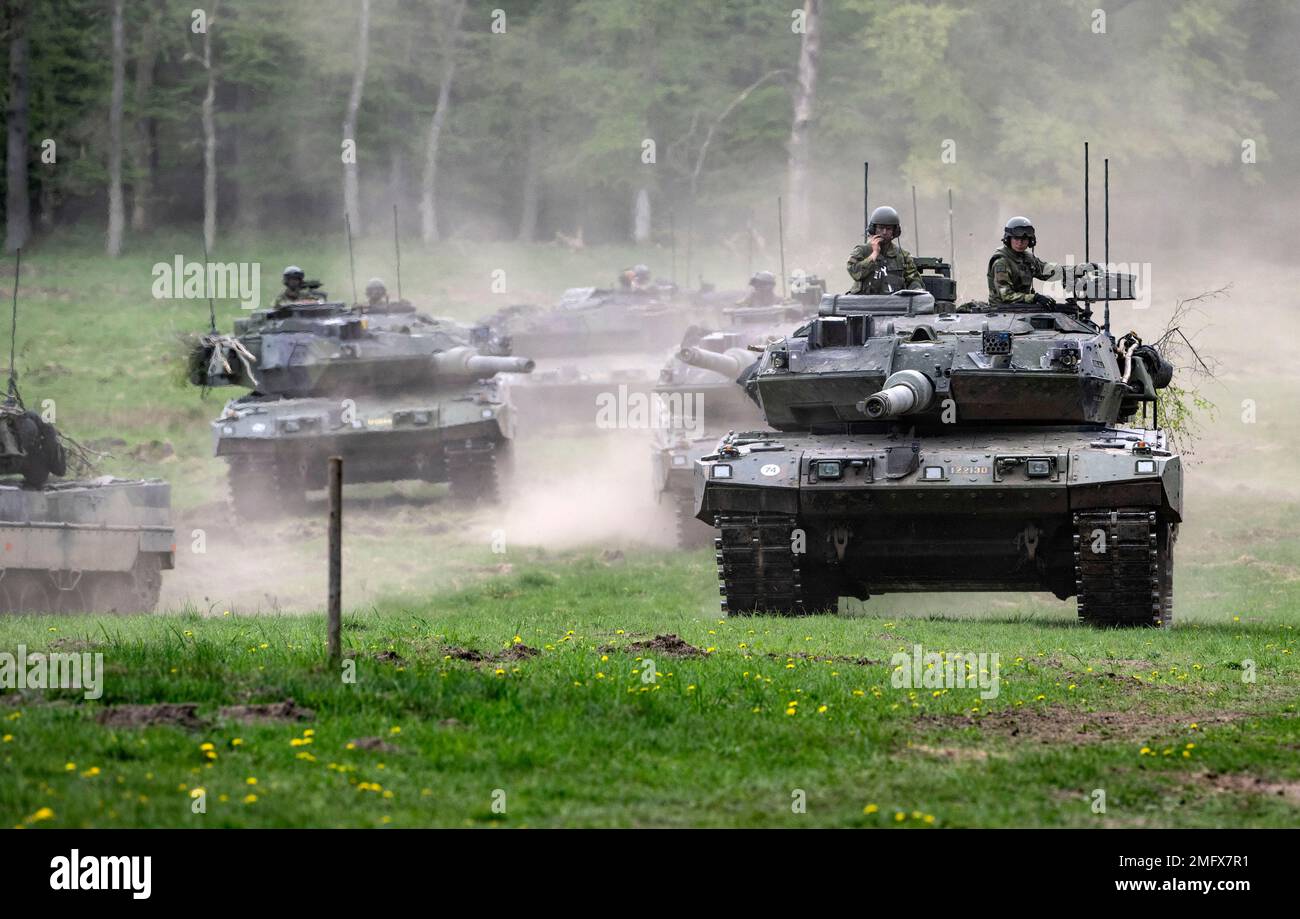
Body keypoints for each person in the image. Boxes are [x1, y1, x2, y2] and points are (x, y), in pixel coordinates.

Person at [987, 217, 1068, 307]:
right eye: (1016, 238)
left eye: (1024, 239)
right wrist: (1035, 298)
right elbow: (1006, 295)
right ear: (1008, 239)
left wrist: (1071, 271)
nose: (1020, 242)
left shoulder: (1027, 258)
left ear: (1030, 241)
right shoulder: (1001, 262)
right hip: (1002, 310)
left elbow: (1045, 270)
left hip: (1022, 307)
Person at [846, 206, 922, 295]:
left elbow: (914, 279)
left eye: (888, 229)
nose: (884, 232)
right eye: (881, 228)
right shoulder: (862, 251)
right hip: (864, 304)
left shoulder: (902, 256)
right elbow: (854, 272)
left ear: (895, 231)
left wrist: (916, 290)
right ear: (873, 229)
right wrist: (873, 255)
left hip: (893, 304)